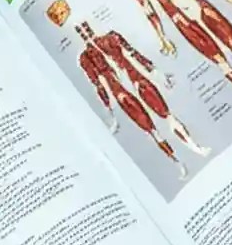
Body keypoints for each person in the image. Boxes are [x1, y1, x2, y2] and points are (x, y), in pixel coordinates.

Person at [73, 21, 208, 179]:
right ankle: (178, 163)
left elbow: (134, 54)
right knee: (152, 132)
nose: (87, 35)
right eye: (83, 33)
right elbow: (97, 84)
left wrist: (158, 73)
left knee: (168, 116)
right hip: (122, 94)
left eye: (86, 30)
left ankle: (195, 147)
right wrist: (111, 113)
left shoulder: (110, 37)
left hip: (137, 81)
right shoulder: (86, 58)